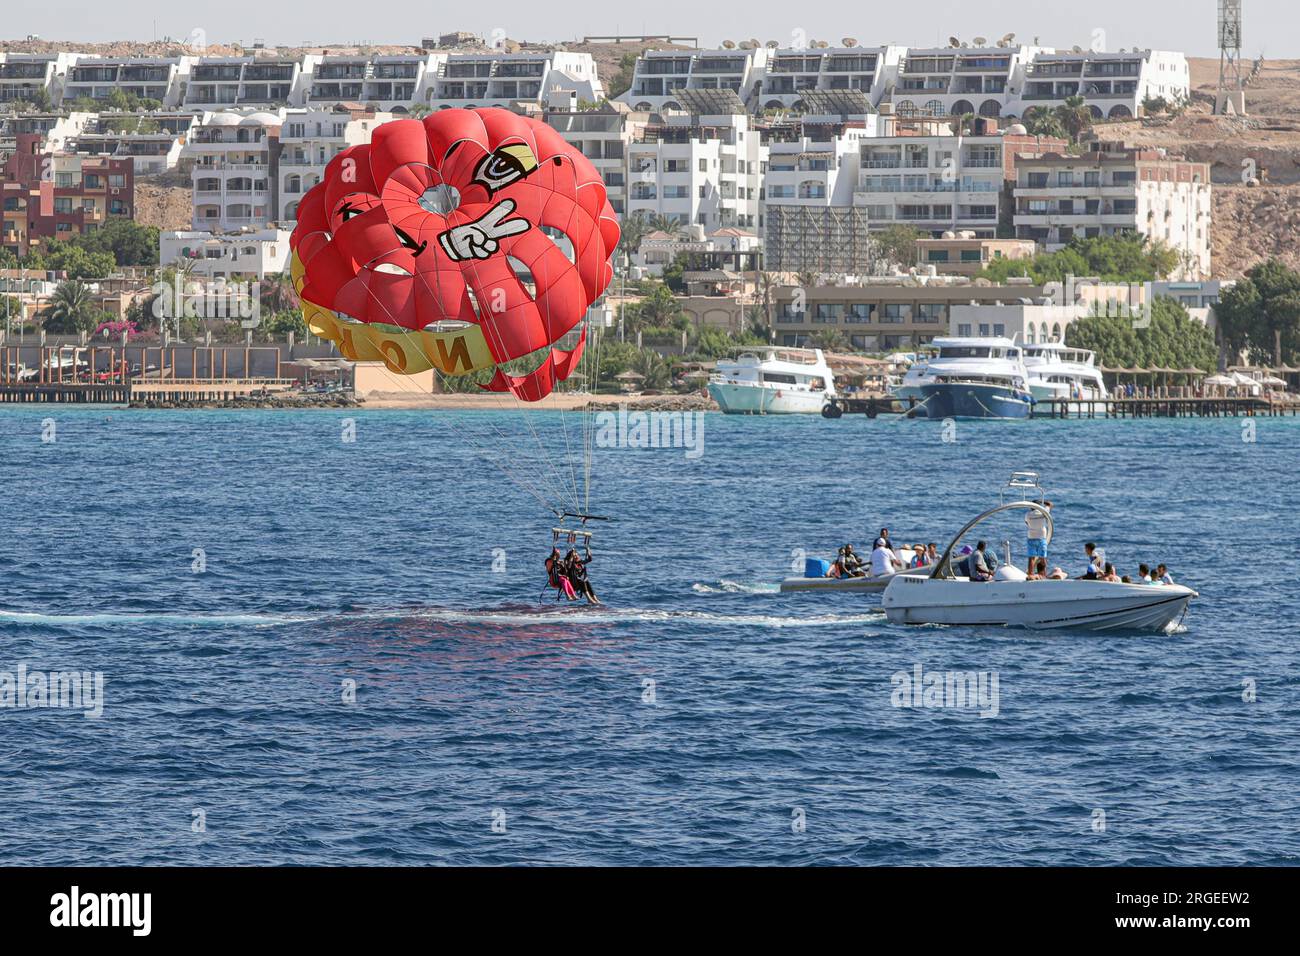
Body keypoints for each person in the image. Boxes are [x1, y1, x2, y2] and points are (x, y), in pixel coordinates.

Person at [1025, 500, 1052, 574]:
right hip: (1041, 537)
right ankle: (1043, 574)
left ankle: (1030, 574)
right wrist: (1042, 501)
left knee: (1031, 558)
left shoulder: (1028, 514)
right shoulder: (1043, 512)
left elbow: (1027, 522)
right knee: (1043, 557)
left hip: (1031, 537)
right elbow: (1050, 504)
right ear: (1039, 506)